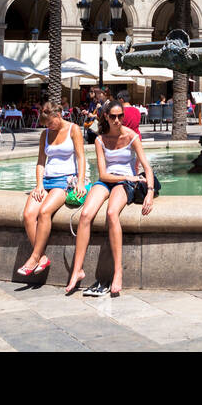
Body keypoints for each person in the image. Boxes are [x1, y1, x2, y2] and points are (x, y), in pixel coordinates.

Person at [66, 100, 156, 296]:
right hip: (110, 180)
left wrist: (149, 192)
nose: (117, 120)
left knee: (112, 213)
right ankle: (77, 270)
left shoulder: (131, 136)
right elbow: (103, 175)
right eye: (113, 116)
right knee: (85, 215)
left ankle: (118, 272)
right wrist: (127, 176)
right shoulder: (100, 140)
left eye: (120, 116)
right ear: (106, 116)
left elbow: (147, 167)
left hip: (125, 184)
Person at [17, 105, 87, 277]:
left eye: (50, 122)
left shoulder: (73, 129)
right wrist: (39, 184)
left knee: (45, 211)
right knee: (28, 215)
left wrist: (80, 182)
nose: (49, 126)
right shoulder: (45, 134)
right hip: (46, 180)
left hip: (65, 180)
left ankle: (34, 258)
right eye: (46, 124)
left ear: (59, 114)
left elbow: (81, 157)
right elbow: (41, 161)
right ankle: (42, 258)